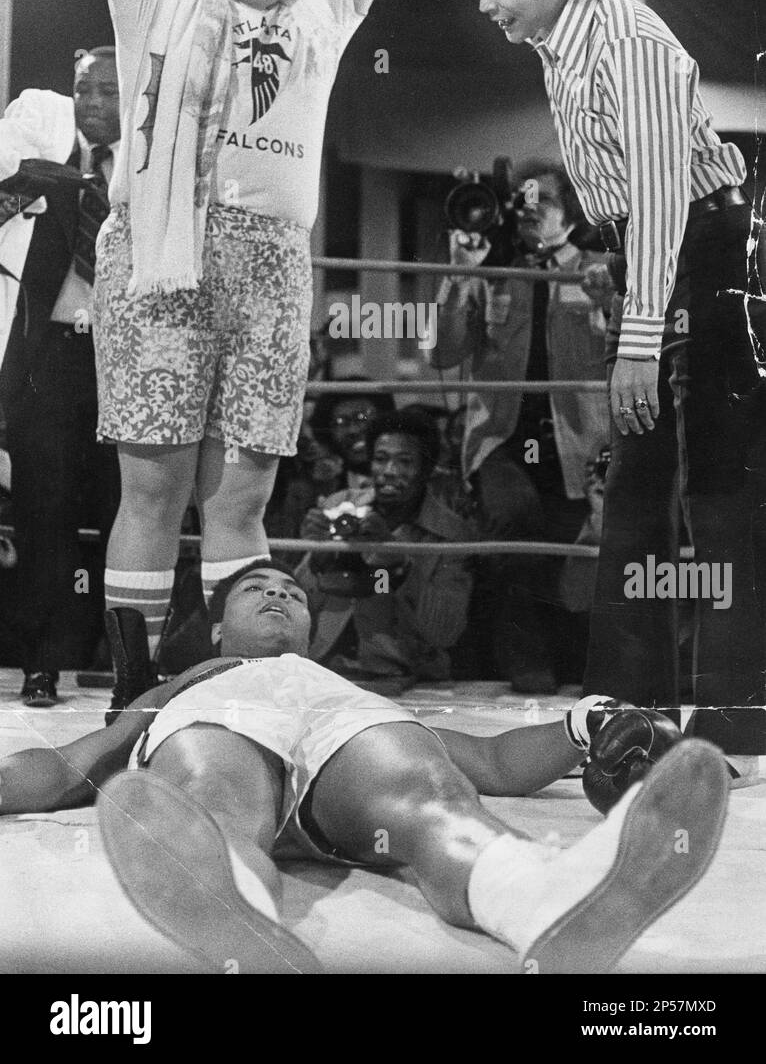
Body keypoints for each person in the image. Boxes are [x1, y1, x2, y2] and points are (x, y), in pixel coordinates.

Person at [36, 0, 479, 711]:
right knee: (150, 486)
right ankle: (135, 690)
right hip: (160, 252)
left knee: (243, 491)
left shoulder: (323, 5)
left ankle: (238, 690)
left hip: (274, 266)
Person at [407, 0, 765, 760]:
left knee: (715, 494)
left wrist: (640, 342)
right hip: (644, 262)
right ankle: (627, 708)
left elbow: (659, 203)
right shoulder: (555, 18)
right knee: (637, 496)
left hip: (697, 252)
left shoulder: (632, 43)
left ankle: (739, 719)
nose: (485, 6)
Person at [0, 560, 729, 976]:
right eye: (259, 589)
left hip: (341, 729)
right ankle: (241, 924)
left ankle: (541, 901)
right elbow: (69, 766)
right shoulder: (187, 683)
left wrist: (582, 724)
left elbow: (491, 763)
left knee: (434, 796)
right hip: (223, 718)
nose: (280, 594)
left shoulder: (346, 687)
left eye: (291, 591)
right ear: (219, 627)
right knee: (212, 793)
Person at [430, 159, 610, 692]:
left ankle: (571, 662)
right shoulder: (492, 270)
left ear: (572, 214)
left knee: (572, 551)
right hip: (502, 441)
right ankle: (525, 661)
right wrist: (460, 272)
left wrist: (611, 303)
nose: (528, 209)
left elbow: (631, 351)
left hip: (578, 444)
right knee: (516, 519)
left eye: (543, 201)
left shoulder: (600, 270)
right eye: (522, 200)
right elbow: (442, 353)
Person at [0, 49, 122, 705]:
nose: (94, 102)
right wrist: (46, 184)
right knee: (42, 514)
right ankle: (40, 664)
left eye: (108, 90)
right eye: (84, 89)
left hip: (122, 361)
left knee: (119, 510)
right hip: (47, 358)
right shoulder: (35, 141)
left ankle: (123, 657)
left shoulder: (146, 159)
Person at [297, 406, 476, 689]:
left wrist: (400, 564)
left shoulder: (450, 536)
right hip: (326, 668)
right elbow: (299, 605)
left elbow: (444, 632)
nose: (389, 472)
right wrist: (318, 560)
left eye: (405, 462)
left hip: (404, 677)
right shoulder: (341, 504)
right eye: (381, 459)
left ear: (428, 468)